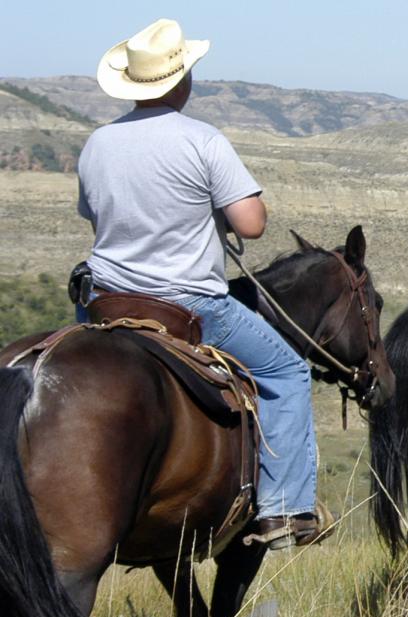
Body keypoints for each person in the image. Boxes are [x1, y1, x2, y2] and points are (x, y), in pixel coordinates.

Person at [78, 18, 327, 548]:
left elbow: (94, 214)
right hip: (186, 303)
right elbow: (252, 225)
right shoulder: (201, 140)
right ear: (182, 81)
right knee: (287, 371)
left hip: (105, 302)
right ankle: (285, 511)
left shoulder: (98, 143)